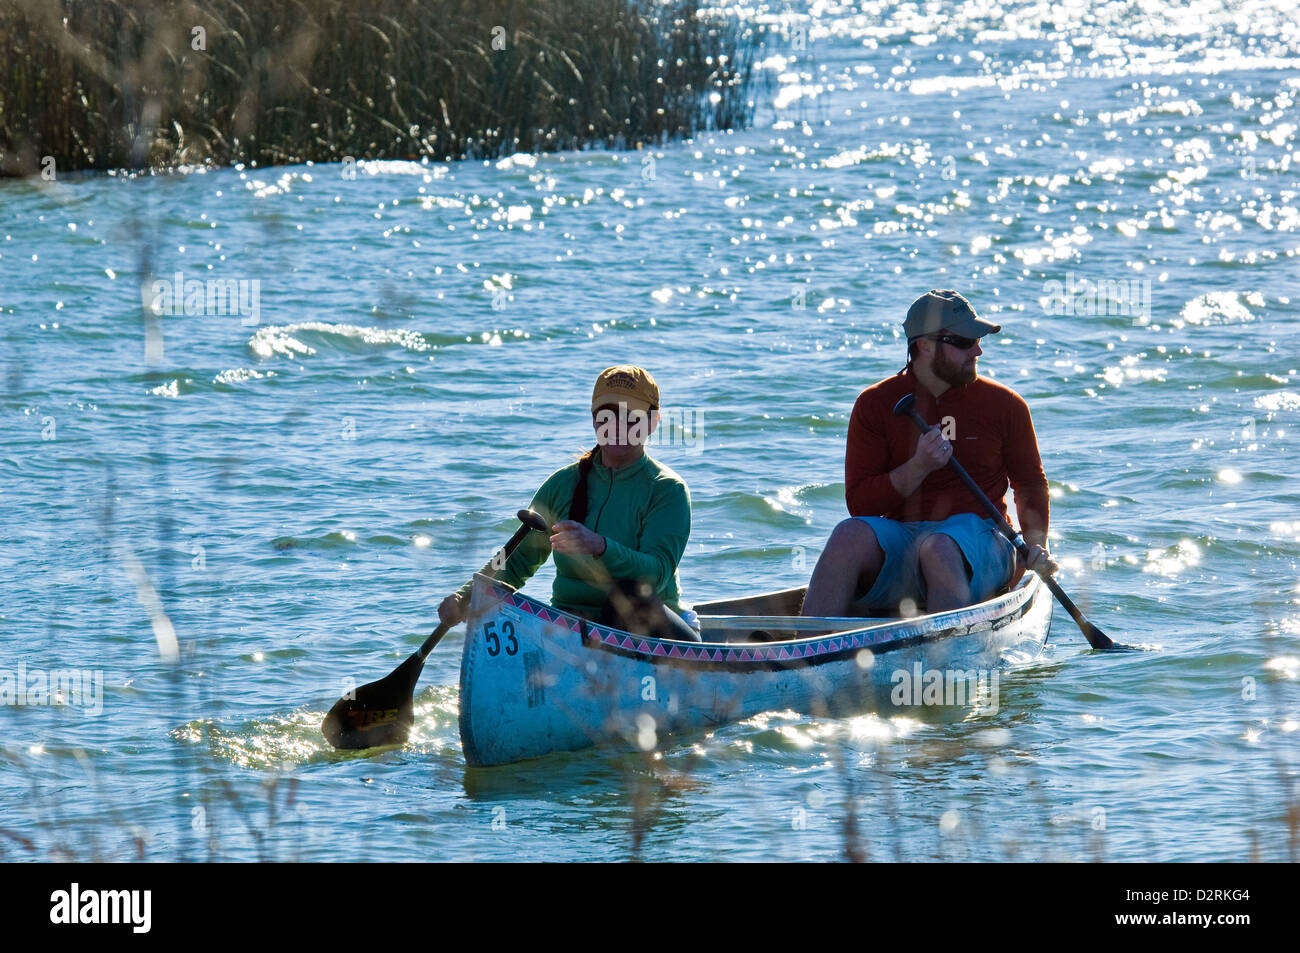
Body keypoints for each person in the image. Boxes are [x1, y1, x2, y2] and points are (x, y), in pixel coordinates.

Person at [801, 289, 1059, 618]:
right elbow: (861, 505)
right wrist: (918, 466)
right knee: (847, 535)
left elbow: (1030, 483)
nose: (977, 350)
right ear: (924, 346)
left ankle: (946, 661)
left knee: (939, 547)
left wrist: (1038, 546)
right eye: (964, 342)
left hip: (983, 538)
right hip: (903, 542)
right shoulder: (875, 404)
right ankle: (806, 657)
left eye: (978, 340)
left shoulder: (1006, 405)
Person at [438, 364, 701, 642]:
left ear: (653, 421)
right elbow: (515, 561)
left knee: (630, 594)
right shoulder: (562, 485)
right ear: (593, 419)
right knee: (500, 603)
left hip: (658, 635)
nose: (617, 426)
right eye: (607, 415)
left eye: (630, 416)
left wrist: (600, 546)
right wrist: (465, 595)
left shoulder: (667, 489)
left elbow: (655, 576)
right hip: (577, 629)